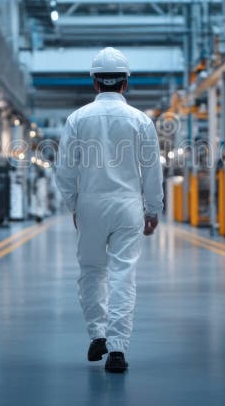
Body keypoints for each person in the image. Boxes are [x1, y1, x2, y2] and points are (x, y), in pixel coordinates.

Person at [55, 47, 164, 373]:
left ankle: (96, 334)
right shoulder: (141, 121)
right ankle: (117, 349)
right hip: (129, 205)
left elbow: (64, 169)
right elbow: (152, 170)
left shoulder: (77, 119)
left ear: (95, 83)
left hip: (90, 203)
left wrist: (74, 204)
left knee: (91, 270)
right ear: (125, 84)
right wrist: (153, 209)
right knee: (122, 275)